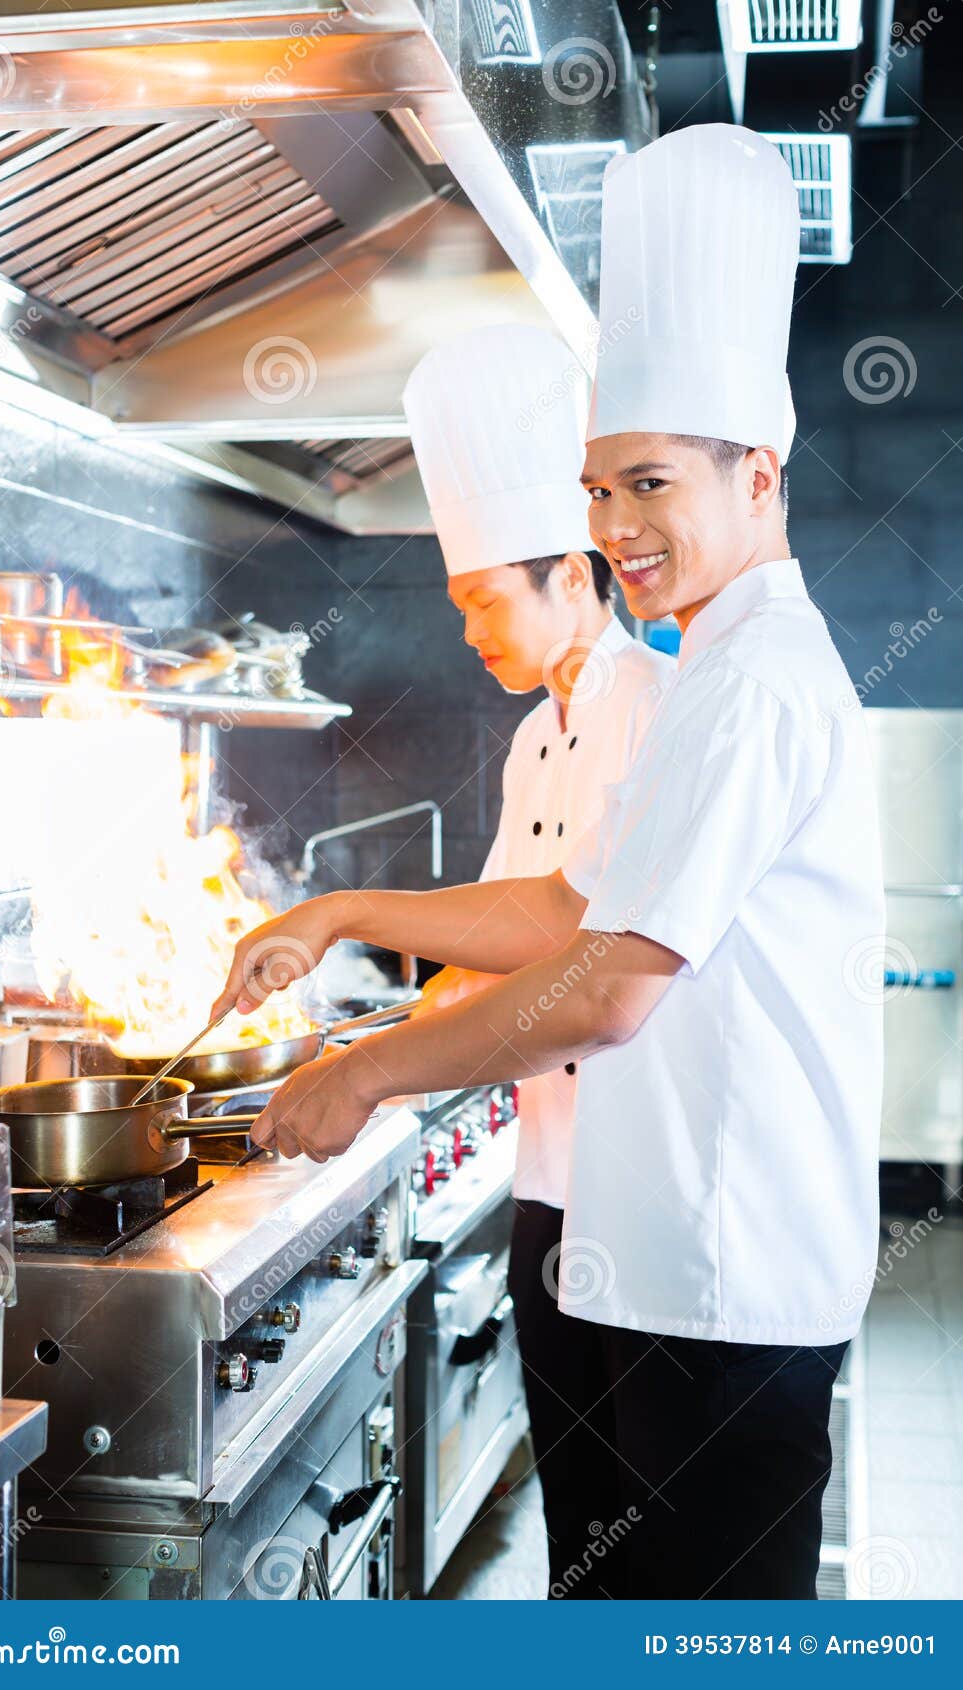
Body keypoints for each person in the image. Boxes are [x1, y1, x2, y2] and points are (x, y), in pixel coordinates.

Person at [212, 125, 884, 1598]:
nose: (615, 529)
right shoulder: (712, 663)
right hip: (666, 1251)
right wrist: (336, 913)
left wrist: (365, 1068)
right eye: (596, 490)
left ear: (754, 470)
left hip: (726, 1266)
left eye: (646, 484)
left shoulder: (750, 678)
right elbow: (580, 909)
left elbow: (606, 984)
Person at [401, 323, 674, 1595]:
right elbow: (503, 933)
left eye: (479, 603)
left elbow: (572, 942)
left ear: (573, 575)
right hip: (549, 1182)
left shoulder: (652, 709)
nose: (468, 633)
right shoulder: (531, 740)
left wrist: (372, 1032)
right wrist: (360, 1047)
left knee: (642, 1523)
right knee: (577, 1522)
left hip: (645, 1195)